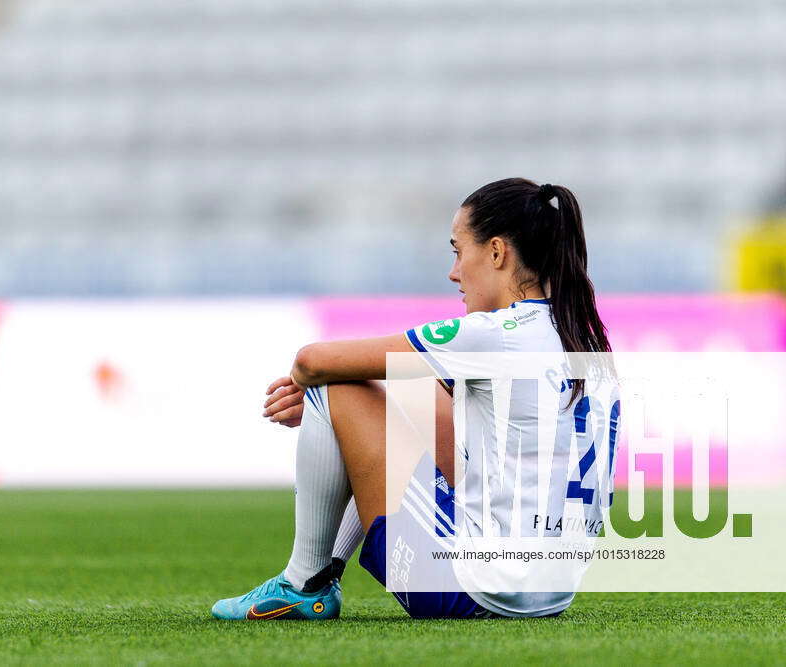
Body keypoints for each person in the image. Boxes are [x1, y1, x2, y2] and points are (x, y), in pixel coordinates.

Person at [211, 178, 615, 620]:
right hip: (548, 596)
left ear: (496, 252)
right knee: (416, 399)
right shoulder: (586, 344)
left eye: (458, 252)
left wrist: (315, 399)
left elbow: (313, 362)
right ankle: (321, 574)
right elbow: (427, 409)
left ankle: (302, 582)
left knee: (337, 386)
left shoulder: (496, 335)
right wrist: (344, 424)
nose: (454, 273)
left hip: (467, 586)